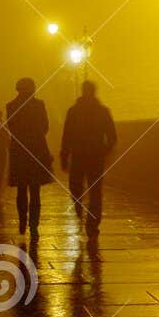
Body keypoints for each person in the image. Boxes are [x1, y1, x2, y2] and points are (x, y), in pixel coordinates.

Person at [60, 80, 117, 234]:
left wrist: (64, 155)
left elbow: (67, 135)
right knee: (95, 191)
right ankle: (93, 222)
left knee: (76, 187)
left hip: (79, 155)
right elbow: (112, 136)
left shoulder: (73, 111)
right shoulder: (103, 111)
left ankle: (81, 210)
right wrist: (105, 150)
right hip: (95, 156)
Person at [5, 77, 52, 237]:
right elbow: (46, 127)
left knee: (21, 189)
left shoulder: (10, 106)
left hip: (19, 152)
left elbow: (12, 127)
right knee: (35, 190)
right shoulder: (39, 105)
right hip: (36, 150)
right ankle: (33, 225)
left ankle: (23, 220)